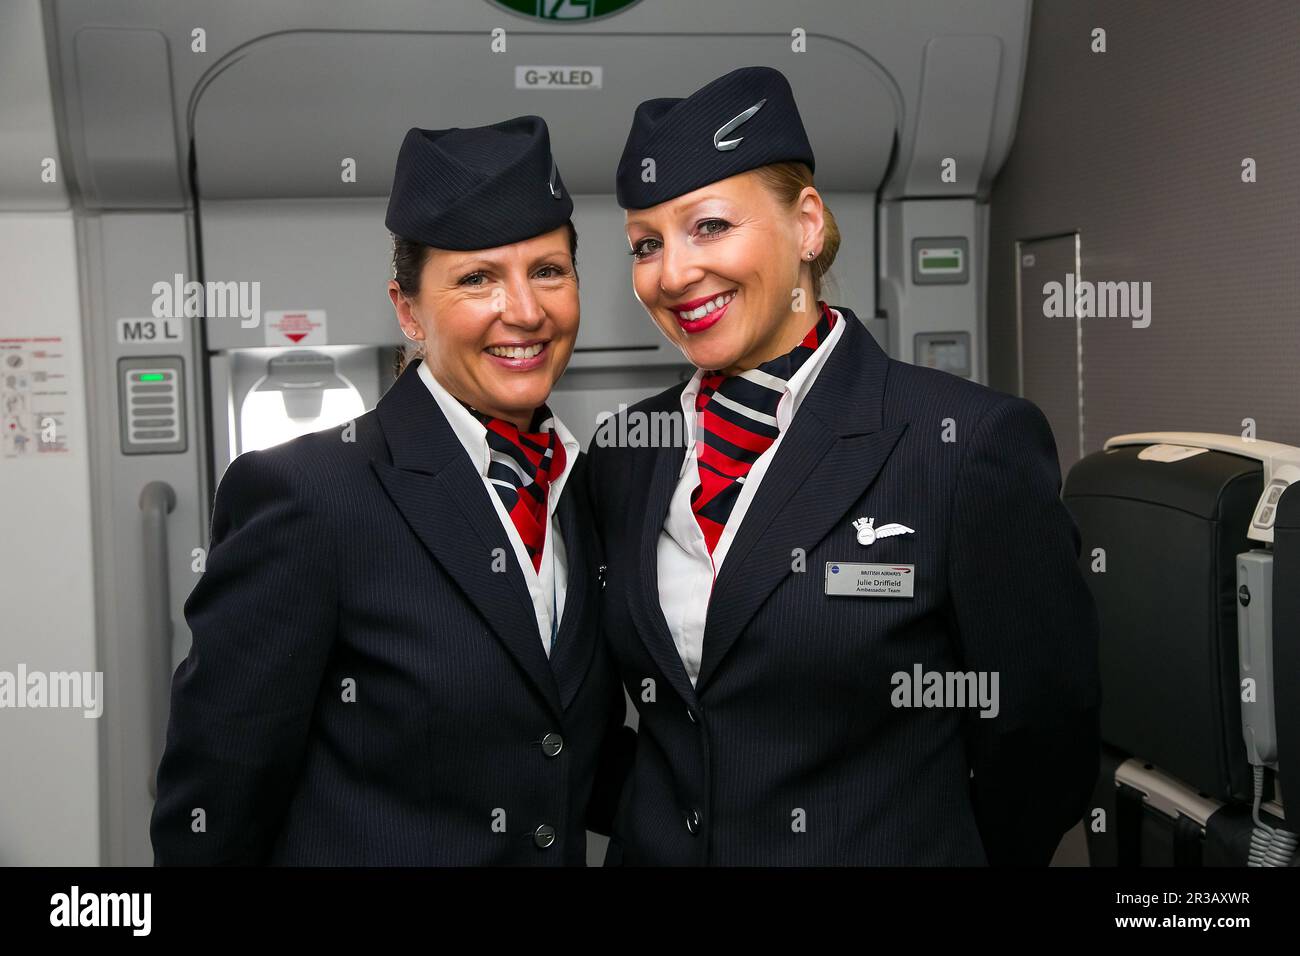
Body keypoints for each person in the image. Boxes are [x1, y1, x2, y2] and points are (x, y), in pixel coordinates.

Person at [589, 66, 1101, 865]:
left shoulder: (964, 444)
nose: (673, 272)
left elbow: (1042, 739)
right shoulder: (627, 451)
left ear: (807, 225)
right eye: (646, 244)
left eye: (710, 226)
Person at [151, 115, 630, 865]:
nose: (527, 311)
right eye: (477, 278)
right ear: (409, 311)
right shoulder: (309, 497)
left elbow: (563, 748)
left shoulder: (580, 490)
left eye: (548, 270)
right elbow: (215, 805)